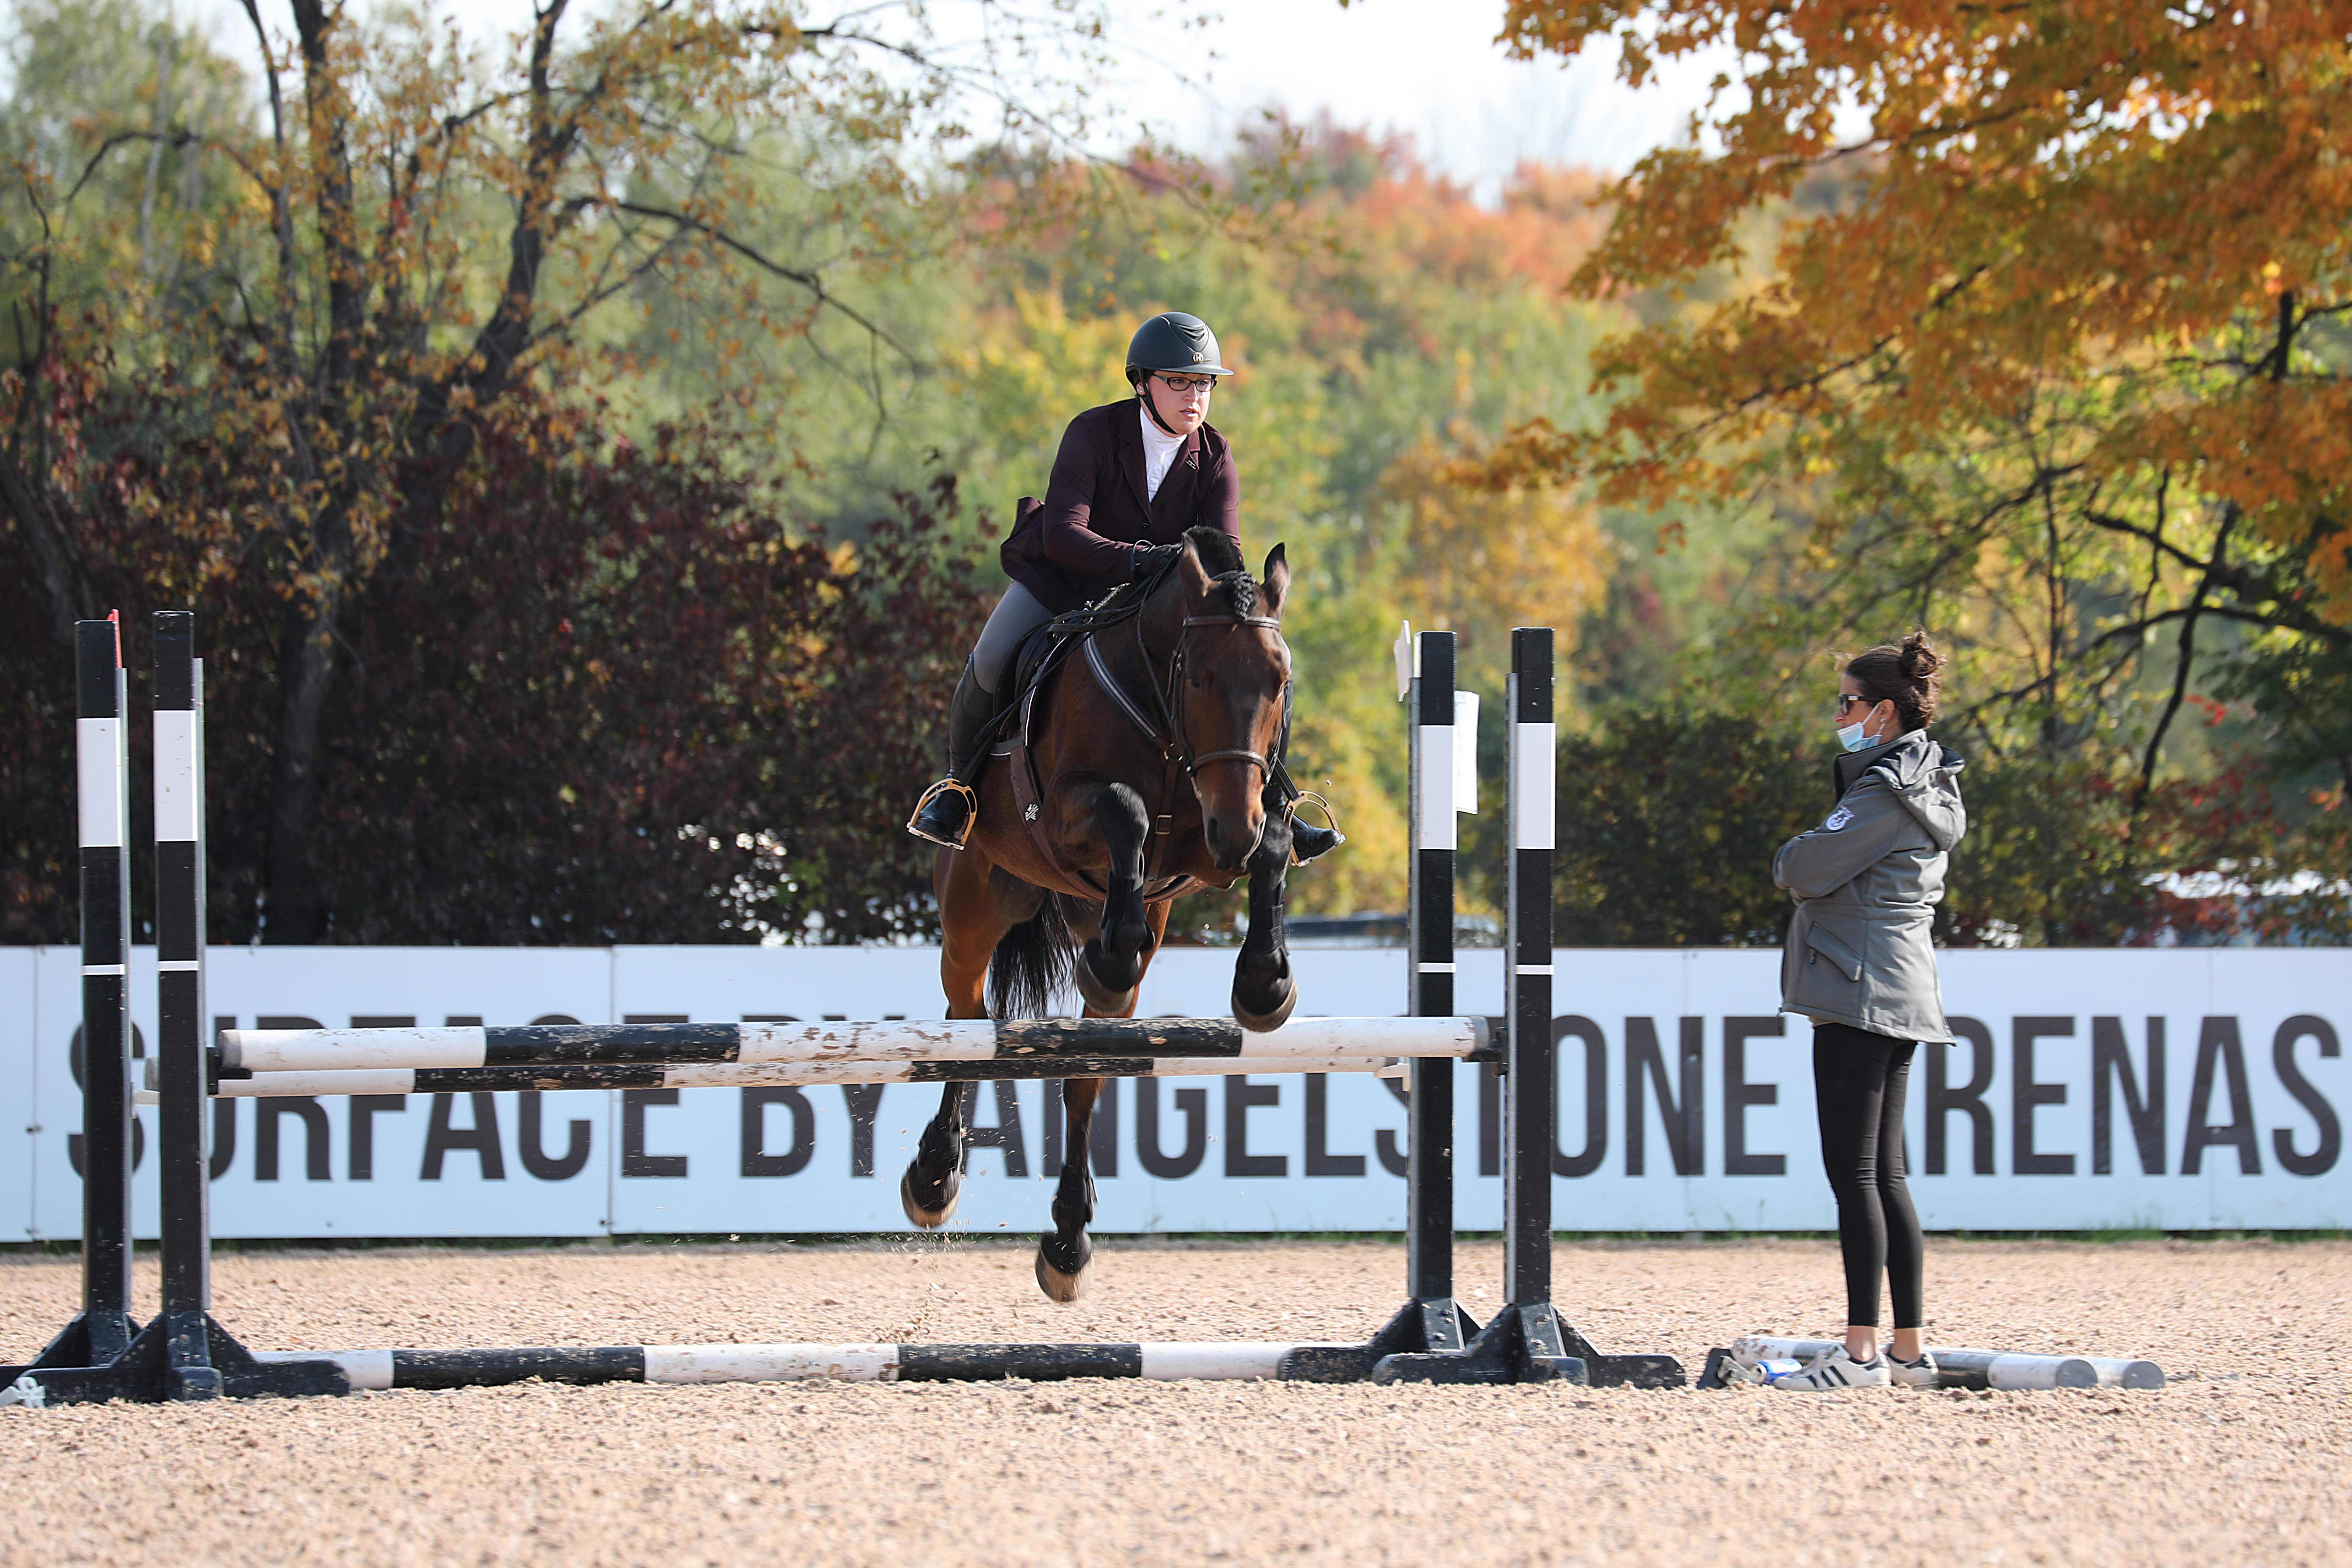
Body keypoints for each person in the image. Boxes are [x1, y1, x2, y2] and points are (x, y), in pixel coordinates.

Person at [906, 310, 1337, 863]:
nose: (1194, 396)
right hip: (1065, 580)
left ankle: (1277, 799)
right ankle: (958, 792)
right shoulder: (1093, 433)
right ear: (1142, 383)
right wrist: (1143, 560)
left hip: (1158, 602)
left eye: (1204, 383)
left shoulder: (1216, 454)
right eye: (1178, 381)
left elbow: (1226, 556)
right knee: (991, 659)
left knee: (1267, 663)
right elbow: (1064, 535)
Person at [1767, 631, 1967, 1391]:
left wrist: (1798, 851)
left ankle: (1858, 1355)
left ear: (1884, 712)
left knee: (1854, 1175)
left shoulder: (1886, 787)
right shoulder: (1926, 780)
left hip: (1860, 989)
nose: (1840, 715)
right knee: (1885, 1176)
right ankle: (1909, 1352)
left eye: (1848, 703)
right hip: (1898, 986)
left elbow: (1806, 867)